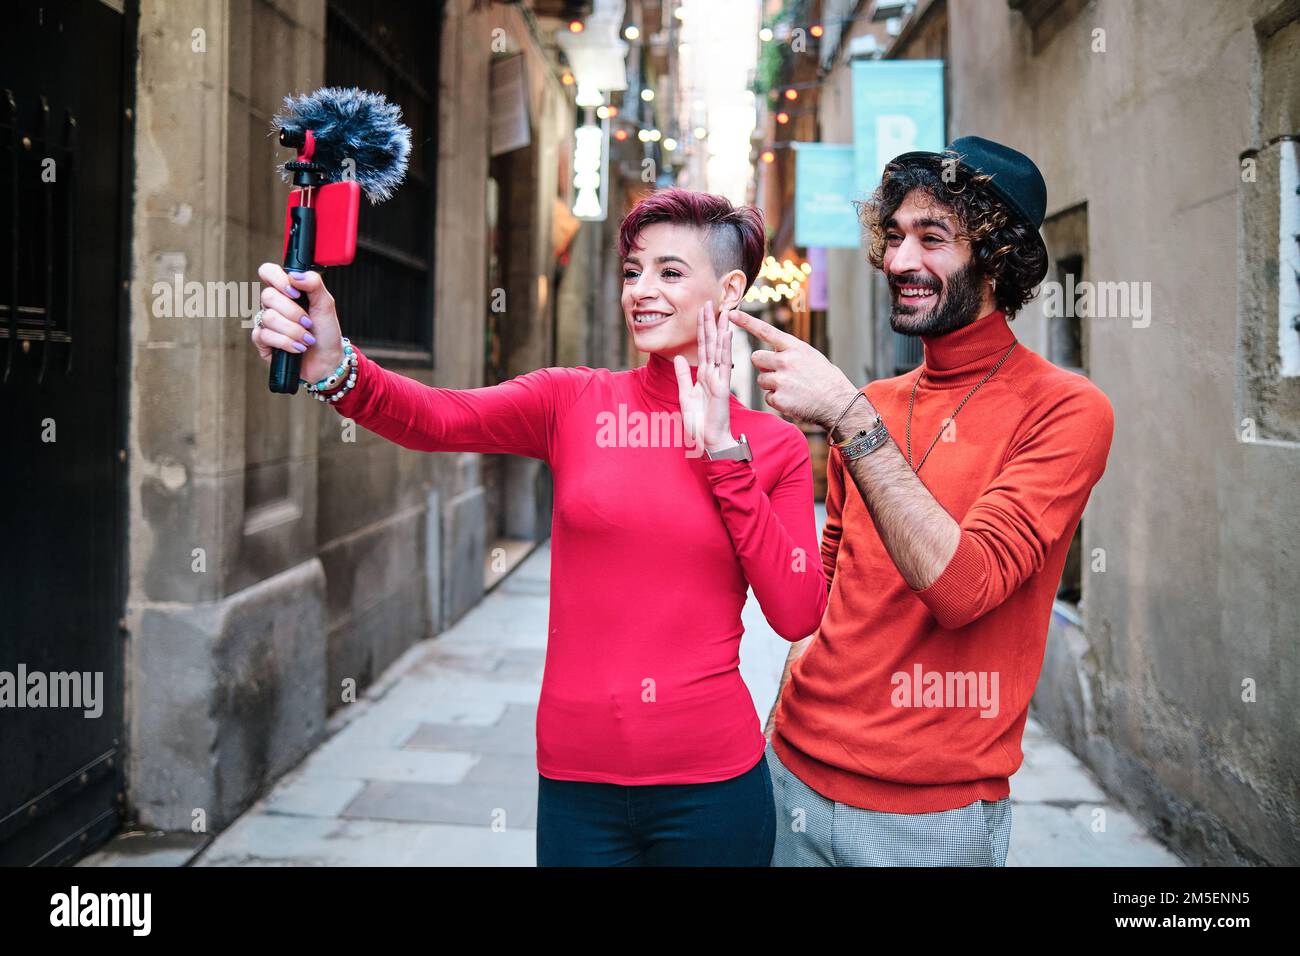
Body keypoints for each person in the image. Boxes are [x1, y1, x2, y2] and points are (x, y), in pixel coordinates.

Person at [249, 188, 826, 866]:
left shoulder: (774, 447)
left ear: (729, 292)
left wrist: (724, 455)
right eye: (633, 270)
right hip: (577, 784)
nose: (641, 290)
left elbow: (796, 611)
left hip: (713, 787)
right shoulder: (572, 400)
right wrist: (335, 366)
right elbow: (440, 417)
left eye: (670, 272)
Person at [727, 136, 1115, 866]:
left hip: (930, 820)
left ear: (998, 258)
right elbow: (831, 592)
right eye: (896, 237)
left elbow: (962, 588)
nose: (900, 263)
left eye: (932, 239)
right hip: (791, 780)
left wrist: (848, 418)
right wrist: (776, 725)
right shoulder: (875, 404)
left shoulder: (1067, 411)